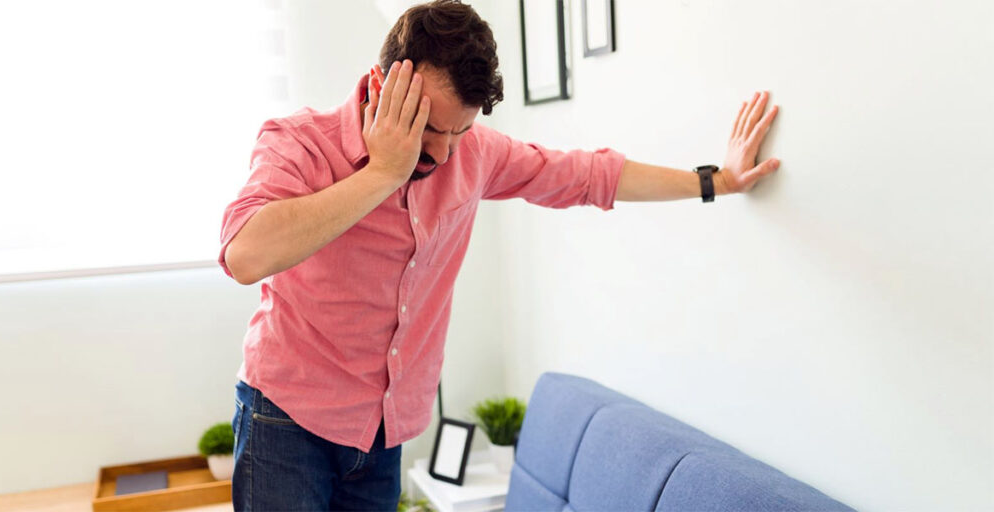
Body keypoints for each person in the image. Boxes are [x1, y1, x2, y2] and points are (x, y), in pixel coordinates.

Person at [219, 1, 780, 510]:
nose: (442, 153)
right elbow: (245, 253)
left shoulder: (475, 156)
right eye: (428, 130)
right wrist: (384, 171)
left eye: (459, 133)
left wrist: (719, 181)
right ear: (381, 86)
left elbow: (589, 175)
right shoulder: (298, 142)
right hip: (285, 420)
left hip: (382, 434)